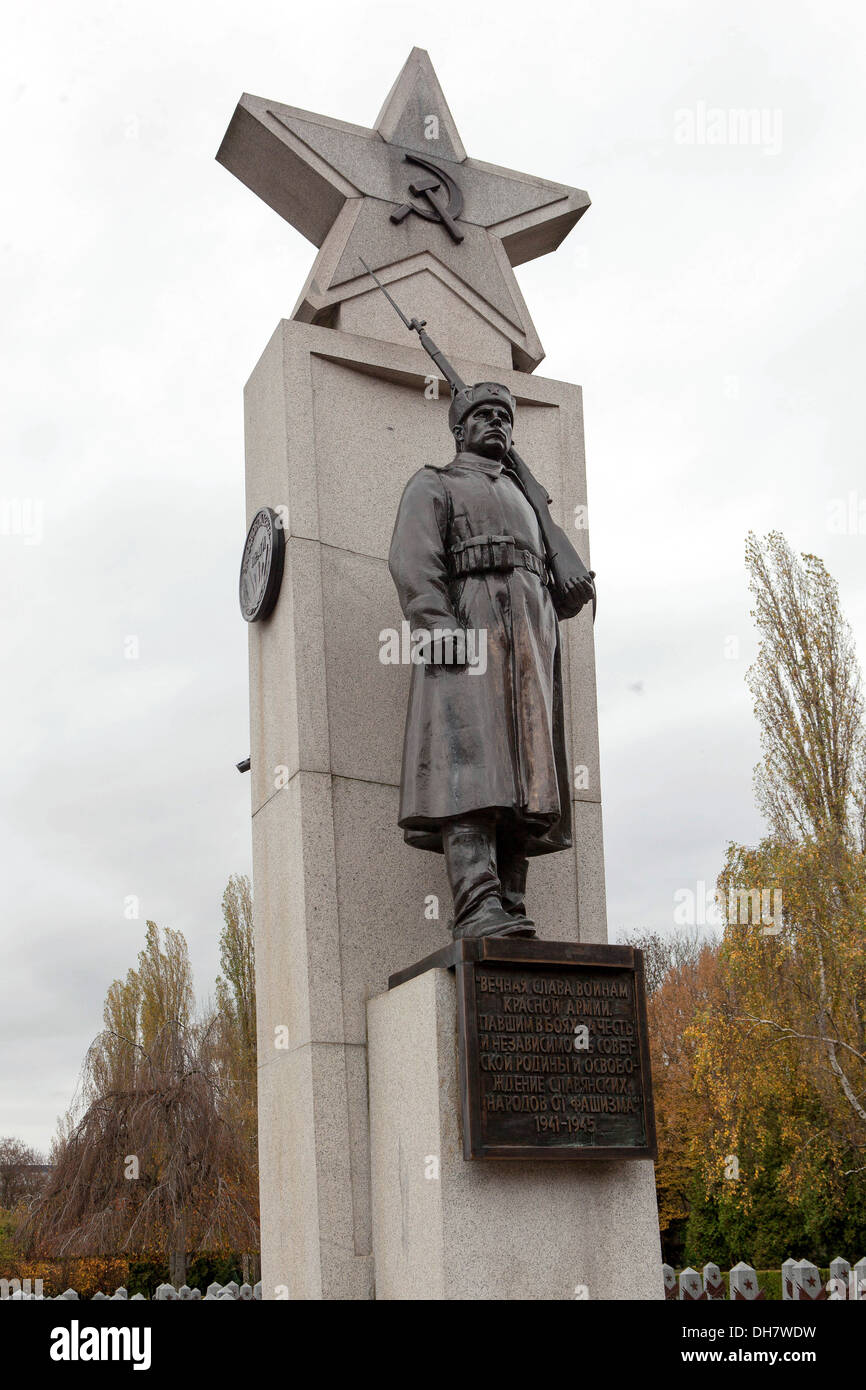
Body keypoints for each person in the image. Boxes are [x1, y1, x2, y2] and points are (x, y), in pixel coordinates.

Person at [388, 381, 593, 940]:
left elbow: (565, 589)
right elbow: (413, 559)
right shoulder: (434, 482)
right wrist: (437, 626)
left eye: (505, 415)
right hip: (471, 630)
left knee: (527, 780)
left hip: (530, 638)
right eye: (483, 414)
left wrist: (569, 586)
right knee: (471, 773)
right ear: (460, 428)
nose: (497, 423)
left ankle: (511, 899)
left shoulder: (529, 499)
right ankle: (477, 905)